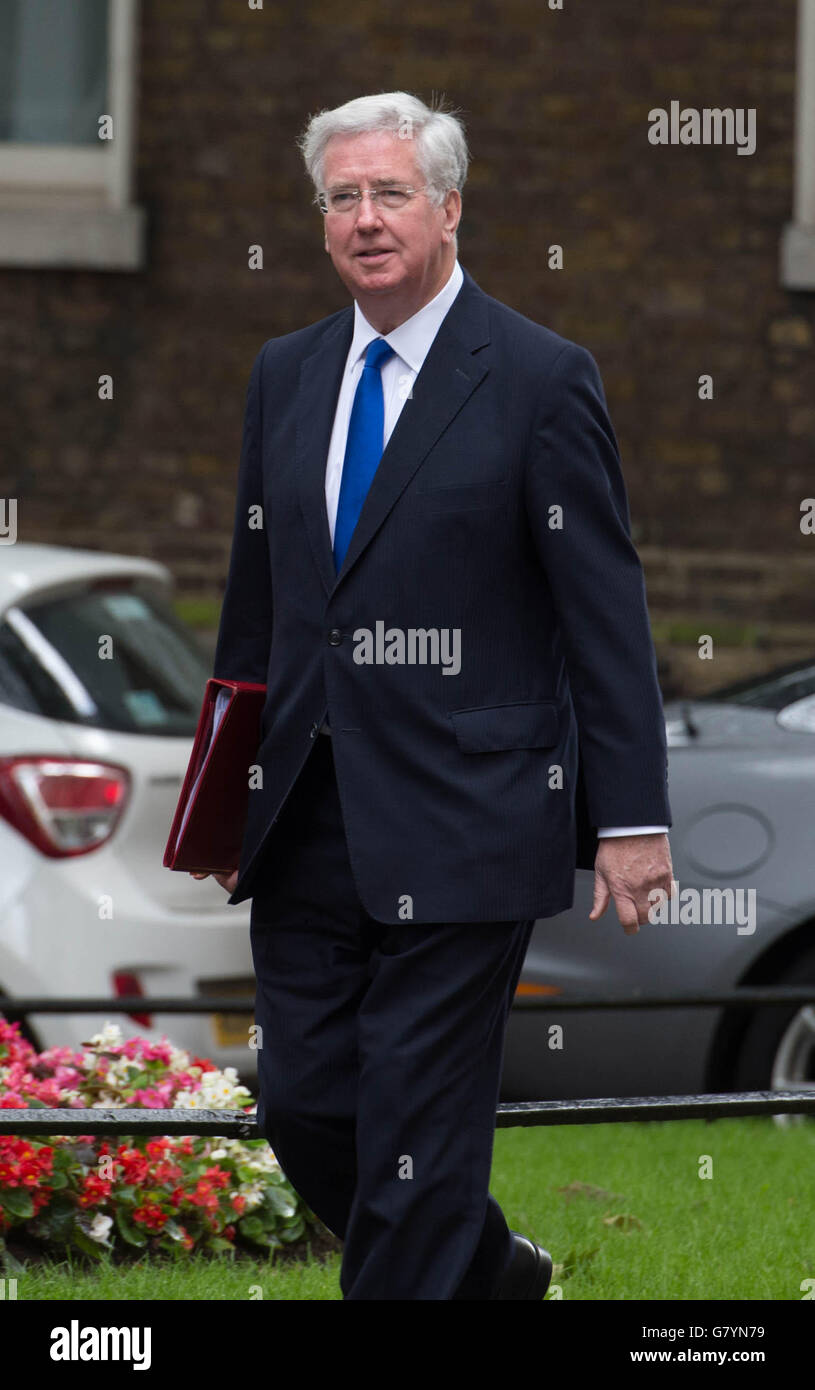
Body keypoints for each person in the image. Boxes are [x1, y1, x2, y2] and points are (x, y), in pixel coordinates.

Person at [191, 91, 673, 1300]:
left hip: (470, 817)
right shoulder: (285, 374)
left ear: (448, 207)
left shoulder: (539, 378)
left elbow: (602, 612)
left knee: (412, 1138)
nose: (364, 219)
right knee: (303, 1099)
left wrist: (629, 817)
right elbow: (259, 605)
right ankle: (490, 1273)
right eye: (341, 197)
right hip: (306, 814)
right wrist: (220, 794)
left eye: (389, 193)